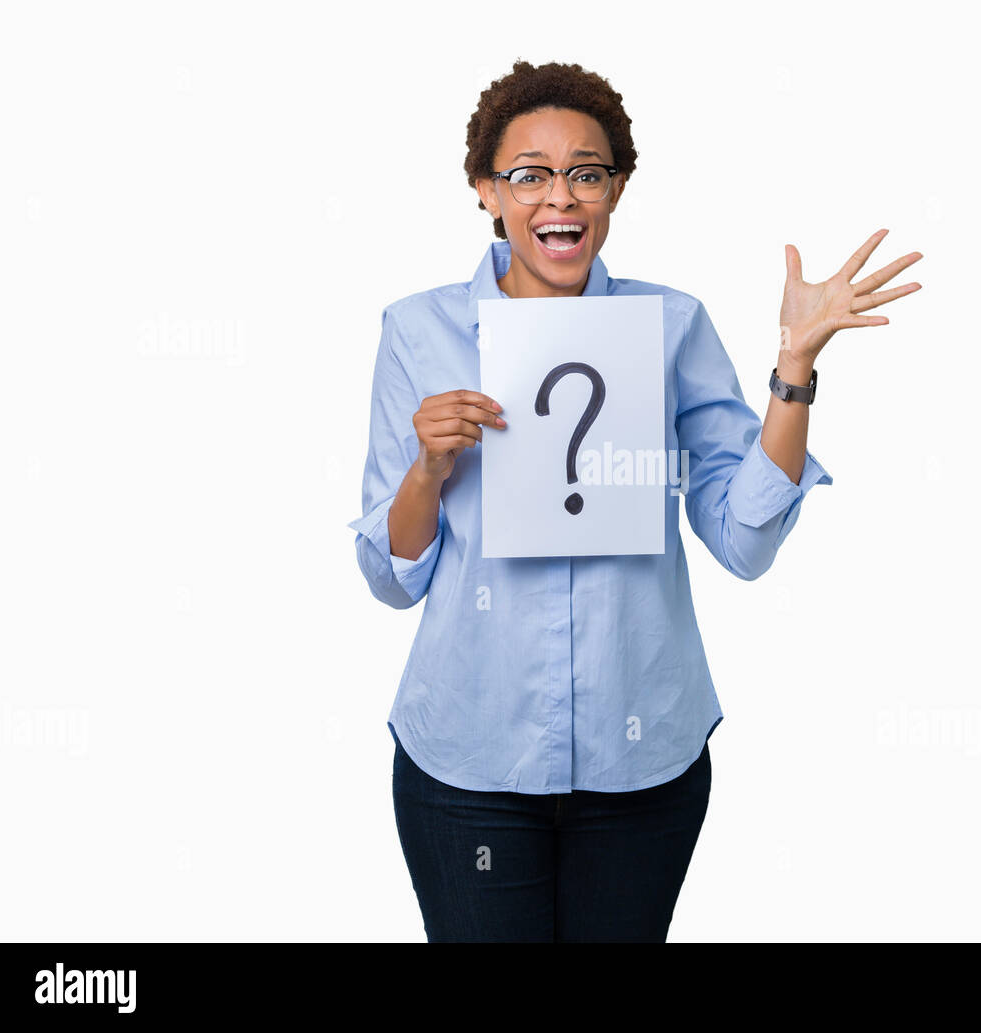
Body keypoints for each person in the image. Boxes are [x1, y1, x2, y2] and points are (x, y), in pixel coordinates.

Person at [348, 59, 923, 942]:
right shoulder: (416, 331)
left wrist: (794, 369)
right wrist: (427, 470)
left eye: (587, 171)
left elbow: (743, 541)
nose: (560, 198)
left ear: (616, 189)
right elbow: (392, 579)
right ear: (486, 191)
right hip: (468, 760)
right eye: (529, 174)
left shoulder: (672, 324)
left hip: (640, 762)